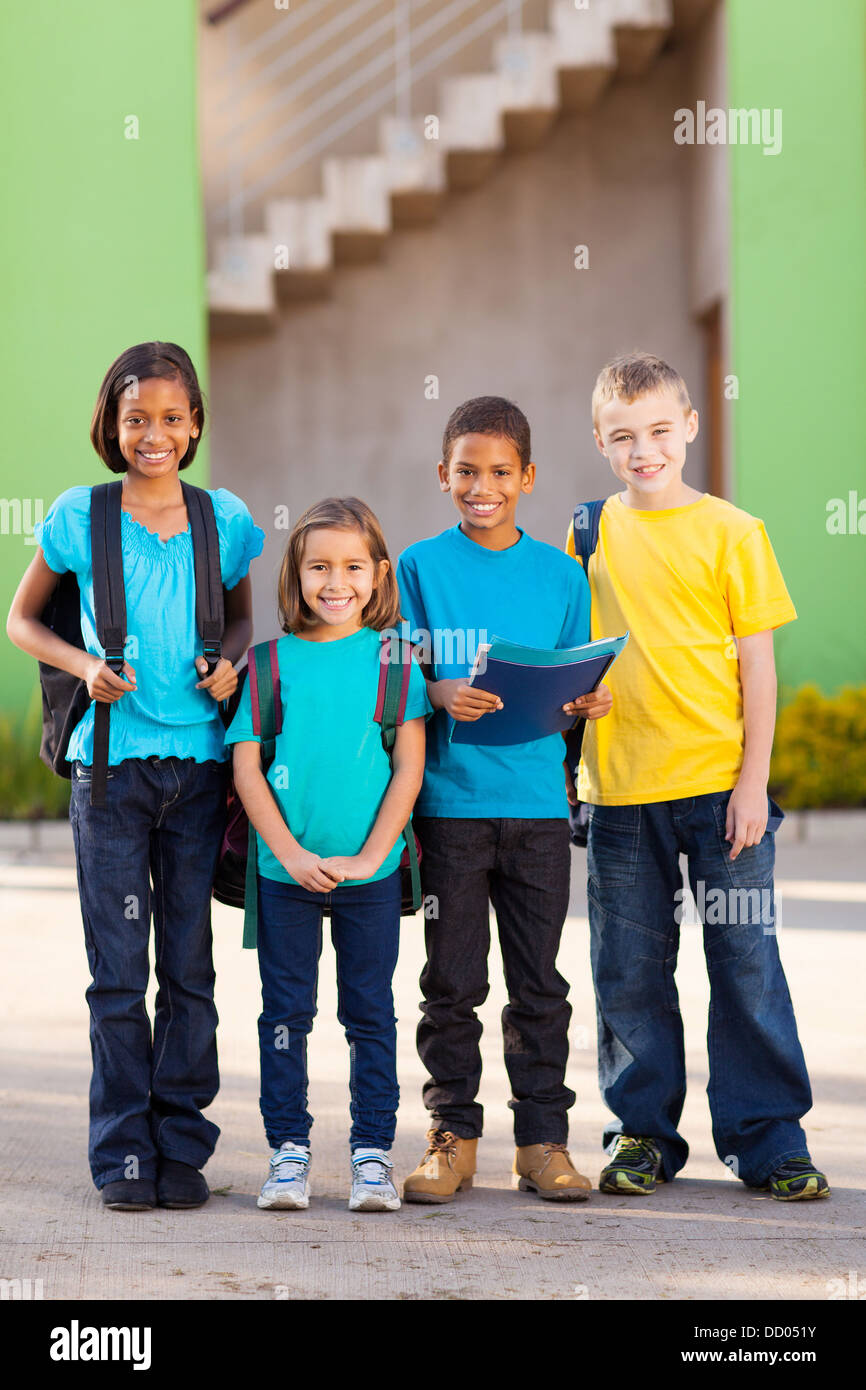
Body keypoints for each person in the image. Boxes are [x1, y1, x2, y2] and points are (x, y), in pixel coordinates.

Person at [6, 341, 264, 1211]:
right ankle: (122, 1152)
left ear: (194, 426)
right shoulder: (81, 516)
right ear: (111, 427)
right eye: (136, 419)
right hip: (108, 775)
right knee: (117, 972)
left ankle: (182, 1145)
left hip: (195, 774)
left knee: (188, 968)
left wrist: (229, 668)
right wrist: (84, 666)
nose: (153, 434)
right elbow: (21, 619)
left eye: (170, 418)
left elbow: (238, 623)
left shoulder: (221, 519)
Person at [567, 350, 828, 1201]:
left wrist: (755, 782)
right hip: (619, 795)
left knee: (746, 964)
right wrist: (577, 711)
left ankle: (769, 1140)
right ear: (601, 442)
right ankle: (641, 1135)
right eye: (622, 437)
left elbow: (760, 669)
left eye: (657, 432)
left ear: (689, 426)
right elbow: (576, 657)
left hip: (721, 792)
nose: (643, 451)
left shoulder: (733, 531)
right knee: (629, 974)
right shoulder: (590, 533)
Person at [396, 396, 611, 1204]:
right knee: (451, 983)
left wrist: (586, 702)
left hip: (537, 811)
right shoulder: (417, 567)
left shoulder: (562, 575)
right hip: (448, 809)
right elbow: (394, 675)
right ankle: (451, 1137)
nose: (481, 487)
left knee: (540, 985)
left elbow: (572, 678)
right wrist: (436, 688)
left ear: (528, 477)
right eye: (466, 472)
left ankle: (542, 1142)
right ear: (443, 476)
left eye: (499, 473)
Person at [225, 497, 430, 1213]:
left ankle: (373, 1154)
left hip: (369, 876)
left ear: (377, 575)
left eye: (351, 566)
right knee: (285, 1012)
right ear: (297, 574)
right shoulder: (268, 664)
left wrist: (373, 856)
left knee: (370, 1011)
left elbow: (408, 767)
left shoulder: (396, 660)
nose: (334, 581)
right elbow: (247, 767)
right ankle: (288, 1153)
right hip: (285, 874)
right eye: (318, 566)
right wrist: (287, 850)